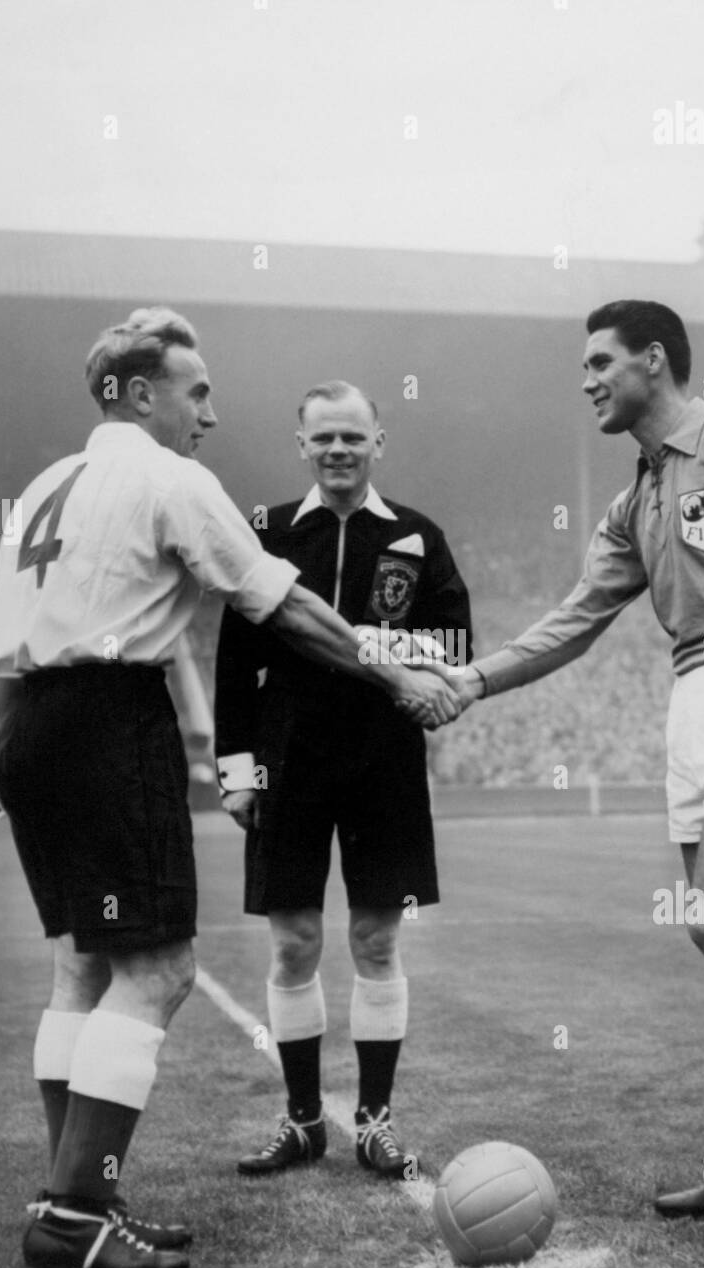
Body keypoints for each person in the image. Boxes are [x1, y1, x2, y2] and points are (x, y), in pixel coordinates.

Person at [0, 313, 461, 1268]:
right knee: (158, 973)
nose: (210, 411)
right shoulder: (170, 480)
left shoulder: (44, 486)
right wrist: (395, 675)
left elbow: (0, 640)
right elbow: (279, 610)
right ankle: (80, 1210)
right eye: (195, 392)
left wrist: (6, 751)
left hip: (31, 722)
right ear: (137, 393)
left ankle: (67, 1199)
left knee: (83, 969)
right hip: (111, 723)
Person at [453, 301, 704, 1233]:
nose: (588, 379)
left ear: (655, 359)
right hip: (694, 700)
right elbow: (574, 618)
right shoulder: (633, 499)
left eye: (601, 361)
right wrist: (472, 680)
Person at [214, 380, 472, 1178]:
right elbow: (235, 660)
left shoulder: (418, 539)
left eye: (352, 438)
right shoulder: (265, 532)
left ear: (377, 442)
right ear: (301, 444)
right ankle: (300, 1122)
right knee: (293, 941)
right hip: (287, 754)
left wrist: (388, 660)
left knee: (375, 937)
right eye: (323, 438)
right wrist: (237, 770)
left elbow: (456, 650)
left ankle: (374, 1121)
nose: (337, 451)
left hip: (383, 756)